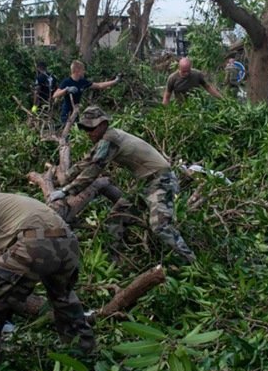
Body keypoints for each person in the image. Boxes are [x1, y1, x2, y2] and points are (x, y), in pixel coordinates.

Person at [0, 179, 95, 371]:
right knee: (63, 297)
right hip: (68, 243)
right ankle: (84, 350)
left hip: (35, 245)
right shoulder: (4, 201)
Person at [48, 106, 195, 263]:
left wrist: (66, 191)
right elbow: (87, 161)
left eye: (91, 128)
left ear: (103, 124)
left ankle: (191, 261)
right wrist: (65, 178)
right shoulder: (105, 139)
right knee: (116, 217)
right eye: (85, 128)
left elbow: (93, 170)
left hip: (161, 181)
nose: (88, 133)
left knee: (159, 226)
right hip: (144, 184)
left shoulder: (110, 139)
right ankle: (114, 261)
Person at [52, 60, 120, 123]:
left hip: (76, 112)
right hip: (67, 113)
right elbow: (55, 95)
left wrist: (115, 81)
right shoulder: (67, 82)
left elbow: (99, 85)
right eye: (83, 70)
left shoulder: (82, 82)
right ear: (77, 70)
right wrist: (66, 89)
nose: (84, 72)